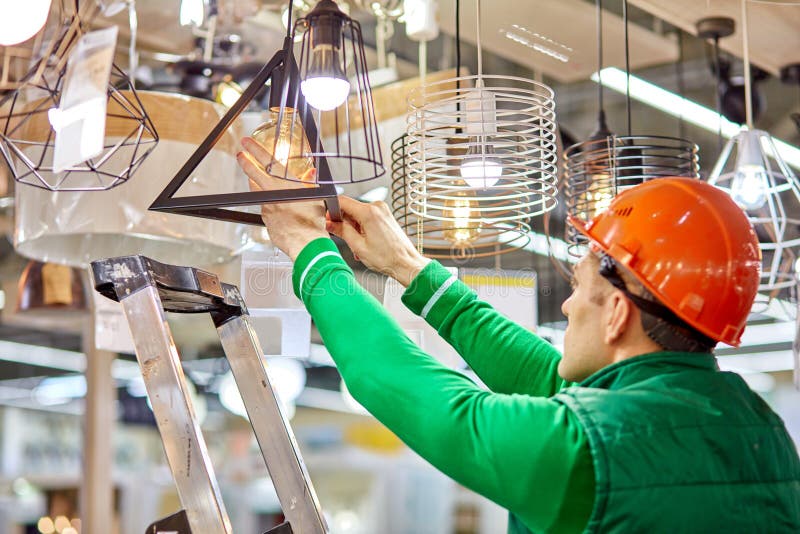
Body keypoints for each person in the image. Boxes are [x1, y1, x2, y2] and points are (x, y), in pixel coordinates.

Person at [237, 136, 800, 533]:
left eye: (578, 288)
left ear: (616, 314)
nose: (569, 305)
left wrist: (308, 249)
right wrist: (408, 266)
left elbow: (407, 387)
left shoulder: (589, 453)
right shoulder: (759, 427)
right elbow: (552, 382)